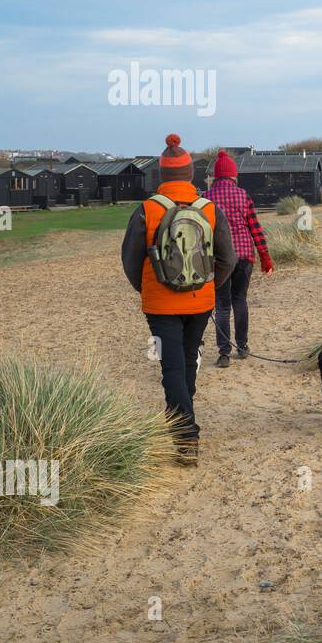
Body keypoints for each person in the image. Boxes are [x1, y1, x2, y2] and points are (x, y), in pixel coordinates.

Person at [121, 134, 236, 465]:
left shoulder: (147, 210)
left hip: (160, 304)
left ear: (161, 175)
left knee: (170, 366)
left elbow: (130, 259)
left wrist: (147, 289)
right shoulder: (210, 210)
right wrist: (209, 287)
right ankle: (184, 411)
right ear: (190, 175)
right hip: (201, 301)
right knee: (187, 361)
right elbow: (227, 259)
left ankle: (186, 437)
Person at [204, 151, 275, 368]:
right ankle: (243, 346)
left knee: (223, 306)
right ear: (234, 176)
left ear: (216, 176)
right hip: (244, 256)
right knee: (240, 301)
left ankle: (224, 353)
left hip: (220, 258)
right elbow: (255, 229)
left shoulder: (206, 198)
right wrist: (265, 258)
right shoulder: (243, 195)